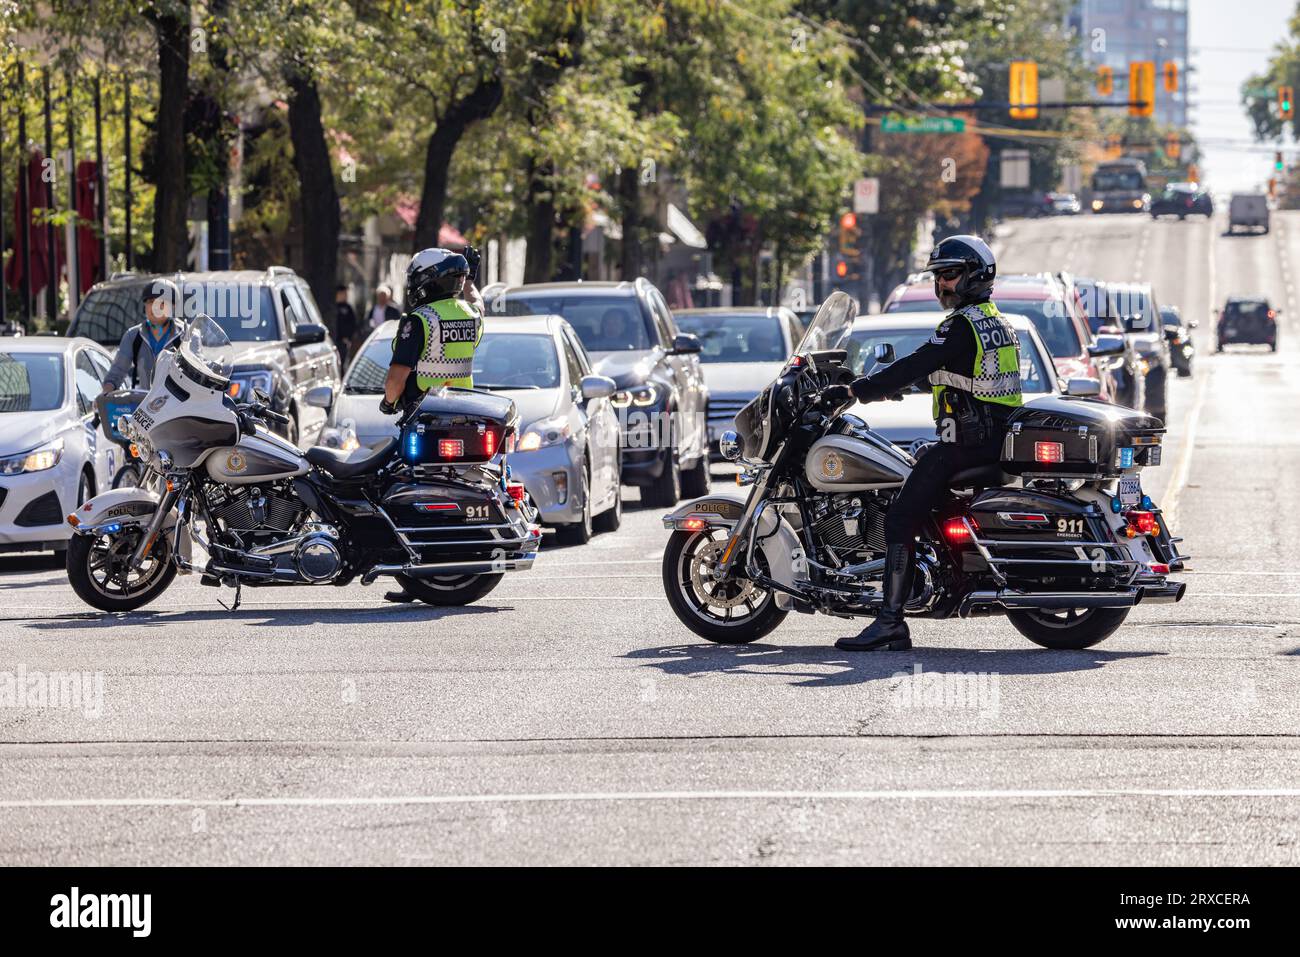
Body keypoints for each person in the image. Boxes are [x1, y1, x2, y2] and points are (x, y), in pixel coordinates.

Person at [827, 235, 1023, 652]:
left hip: (965, 446)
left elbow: (920, 361)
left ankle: (890, 621)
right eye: (937, 278)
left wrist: (857, 391)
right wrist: (906, 385)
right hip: (992, 440)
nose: (942, 286)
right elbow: (951, 372)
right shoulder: (993, 321)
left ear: (975, 275)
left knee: (899, 518)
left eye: (950, 275)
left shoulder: (960, 326)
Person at [378, 246, 484, 603]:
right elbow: (478, 305)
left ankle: (412, 566)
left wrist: (388, 401)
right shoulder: (470, 316)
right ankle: (420, 576)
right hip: (461, 416)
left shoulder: (419, 320)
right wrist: (471, 281)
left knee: (404, 494)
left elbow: (398, 374)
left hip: (423, 417)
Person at [102, 279, 185, 393]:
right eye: (151, 301)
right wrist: (106, 392)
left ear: (173, 306)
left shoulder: (187, 335)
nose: (156, 306)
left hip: (178, 406)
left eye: (162, 302)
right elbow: (117, 372)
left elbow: (198, 373)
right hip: (144, 404)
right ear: (145, 305)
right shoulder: (133, 336)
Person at [334, 284, 358, 365]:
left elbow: (353, 324)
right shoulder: (332, 307)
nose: (345, 295)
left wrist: (348, 337)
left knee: (343, 363)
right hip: (332, 340)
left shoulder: (348, 308)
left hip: (343, 341)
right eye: (344, 293)